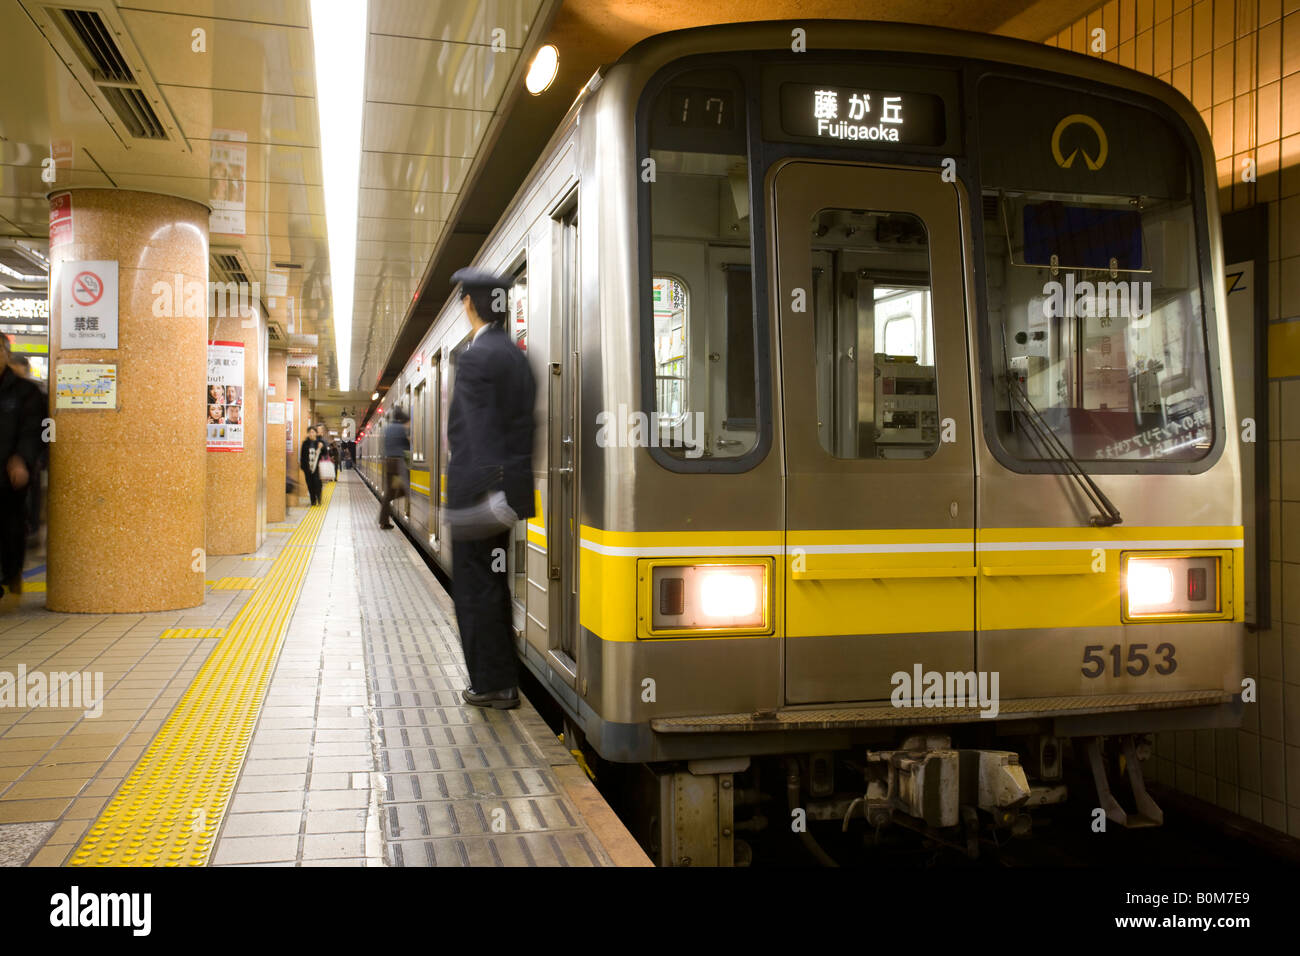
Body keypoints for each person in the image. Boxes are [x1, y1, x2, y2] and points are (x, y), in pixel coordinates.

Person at [446, 268, 535, 710]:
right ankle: (502, 679)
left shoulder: (477, 357)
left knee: (474, 591)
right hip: (506, 496)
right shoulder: (516, 356)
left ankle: (490, 685)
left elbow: (472, 433)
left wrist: (477, 496)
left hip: (478, 498)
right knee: (494, 588)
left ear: (469, 305)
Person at [0, 336, 44, 607]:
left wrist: (21, 459)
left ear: (5, 354)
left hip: (10, 477)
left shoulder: (25, 392)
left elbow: (32, 430)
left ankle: (12, 572)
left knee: (11, 529)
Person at [9, 354, 46, 544]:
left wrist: (27, 457)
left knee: (29, 496)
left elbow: (39, 428)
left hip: (27, 459)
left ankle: (30, 528)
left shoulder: (33, 392)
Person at [378, 407, 409, 529]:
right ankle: (384, 518)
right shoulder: (402, 429)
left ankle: (383, 520)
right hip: (398, 463)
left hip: (388, 462)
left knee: (389, 492)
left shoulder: (387, 428)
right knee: (406, 490)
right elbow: (408, 446)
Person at [299, 425, 324, 506]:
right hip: (308, 468)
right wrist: (303, 467)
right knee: (310, 485)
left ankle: (319, 498)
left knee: (317, 484)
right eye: (309, 432)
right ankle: (313, 500)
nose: (311, 434)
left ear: (316, 433)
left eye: (313, 432)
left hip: (317, 468)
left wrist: (321, 448)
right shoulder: (305, 443)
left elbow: (325, 454)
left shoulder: (319, 443)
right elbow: (302, 456)